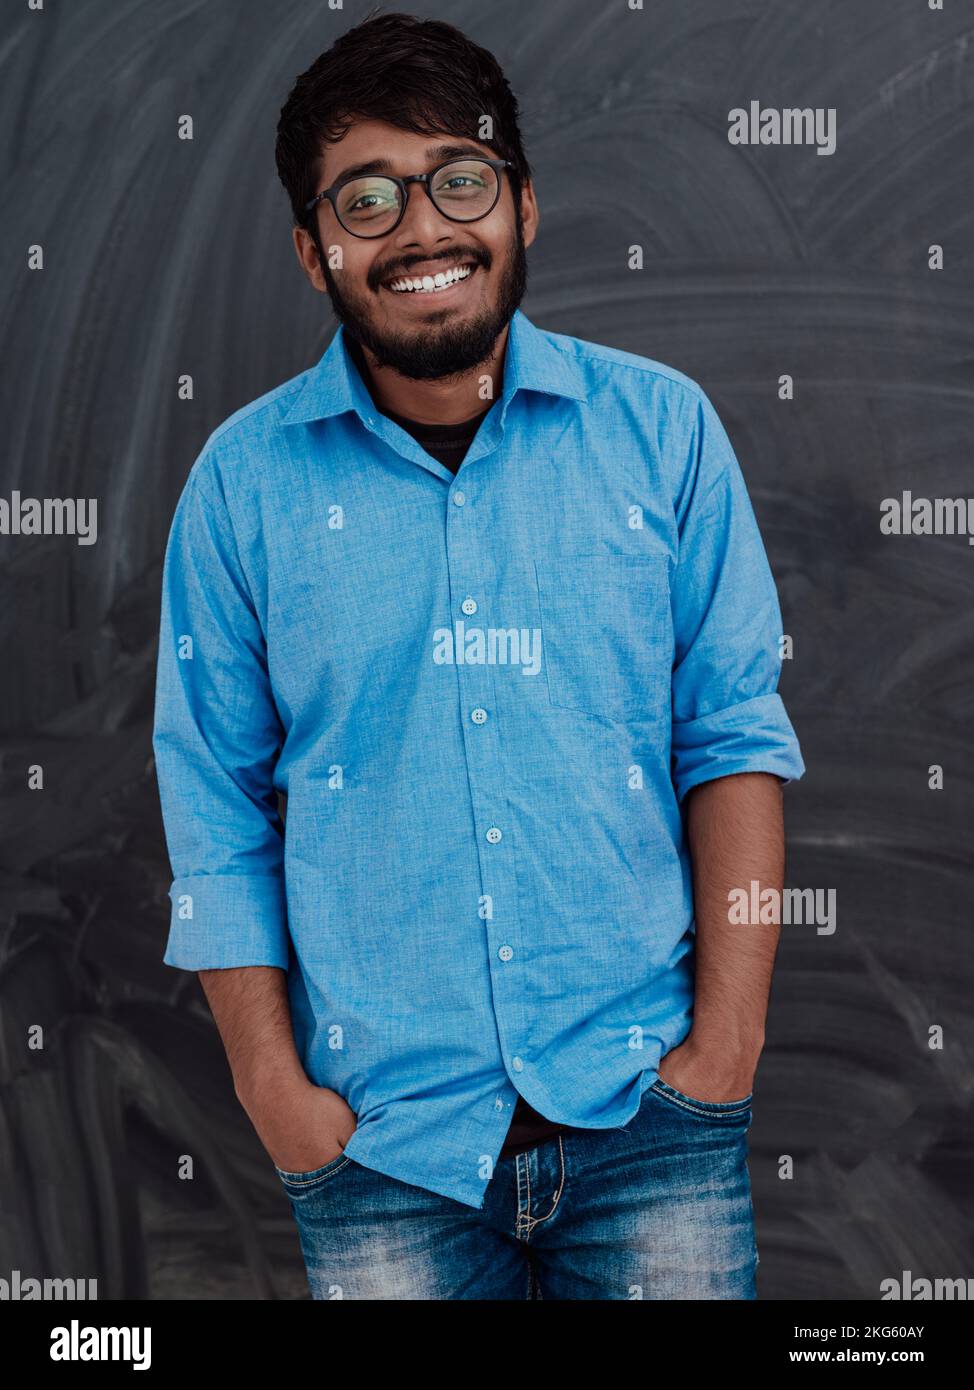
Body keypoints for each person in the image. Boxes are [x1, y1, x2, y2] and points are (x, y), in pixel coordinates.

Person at [152, 10, 805, 1300]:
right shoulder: (242, 485)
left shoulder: (662, 433)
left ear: (522, 207)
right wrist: (277, 1097)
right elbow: (213, 806)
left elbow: (729, 740)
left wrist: (725, 1045)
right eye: (369, 198)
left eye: (460, 178)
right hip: (385, 1152)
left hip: (648, 1124)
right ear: (312, 247)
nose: (423, 229)